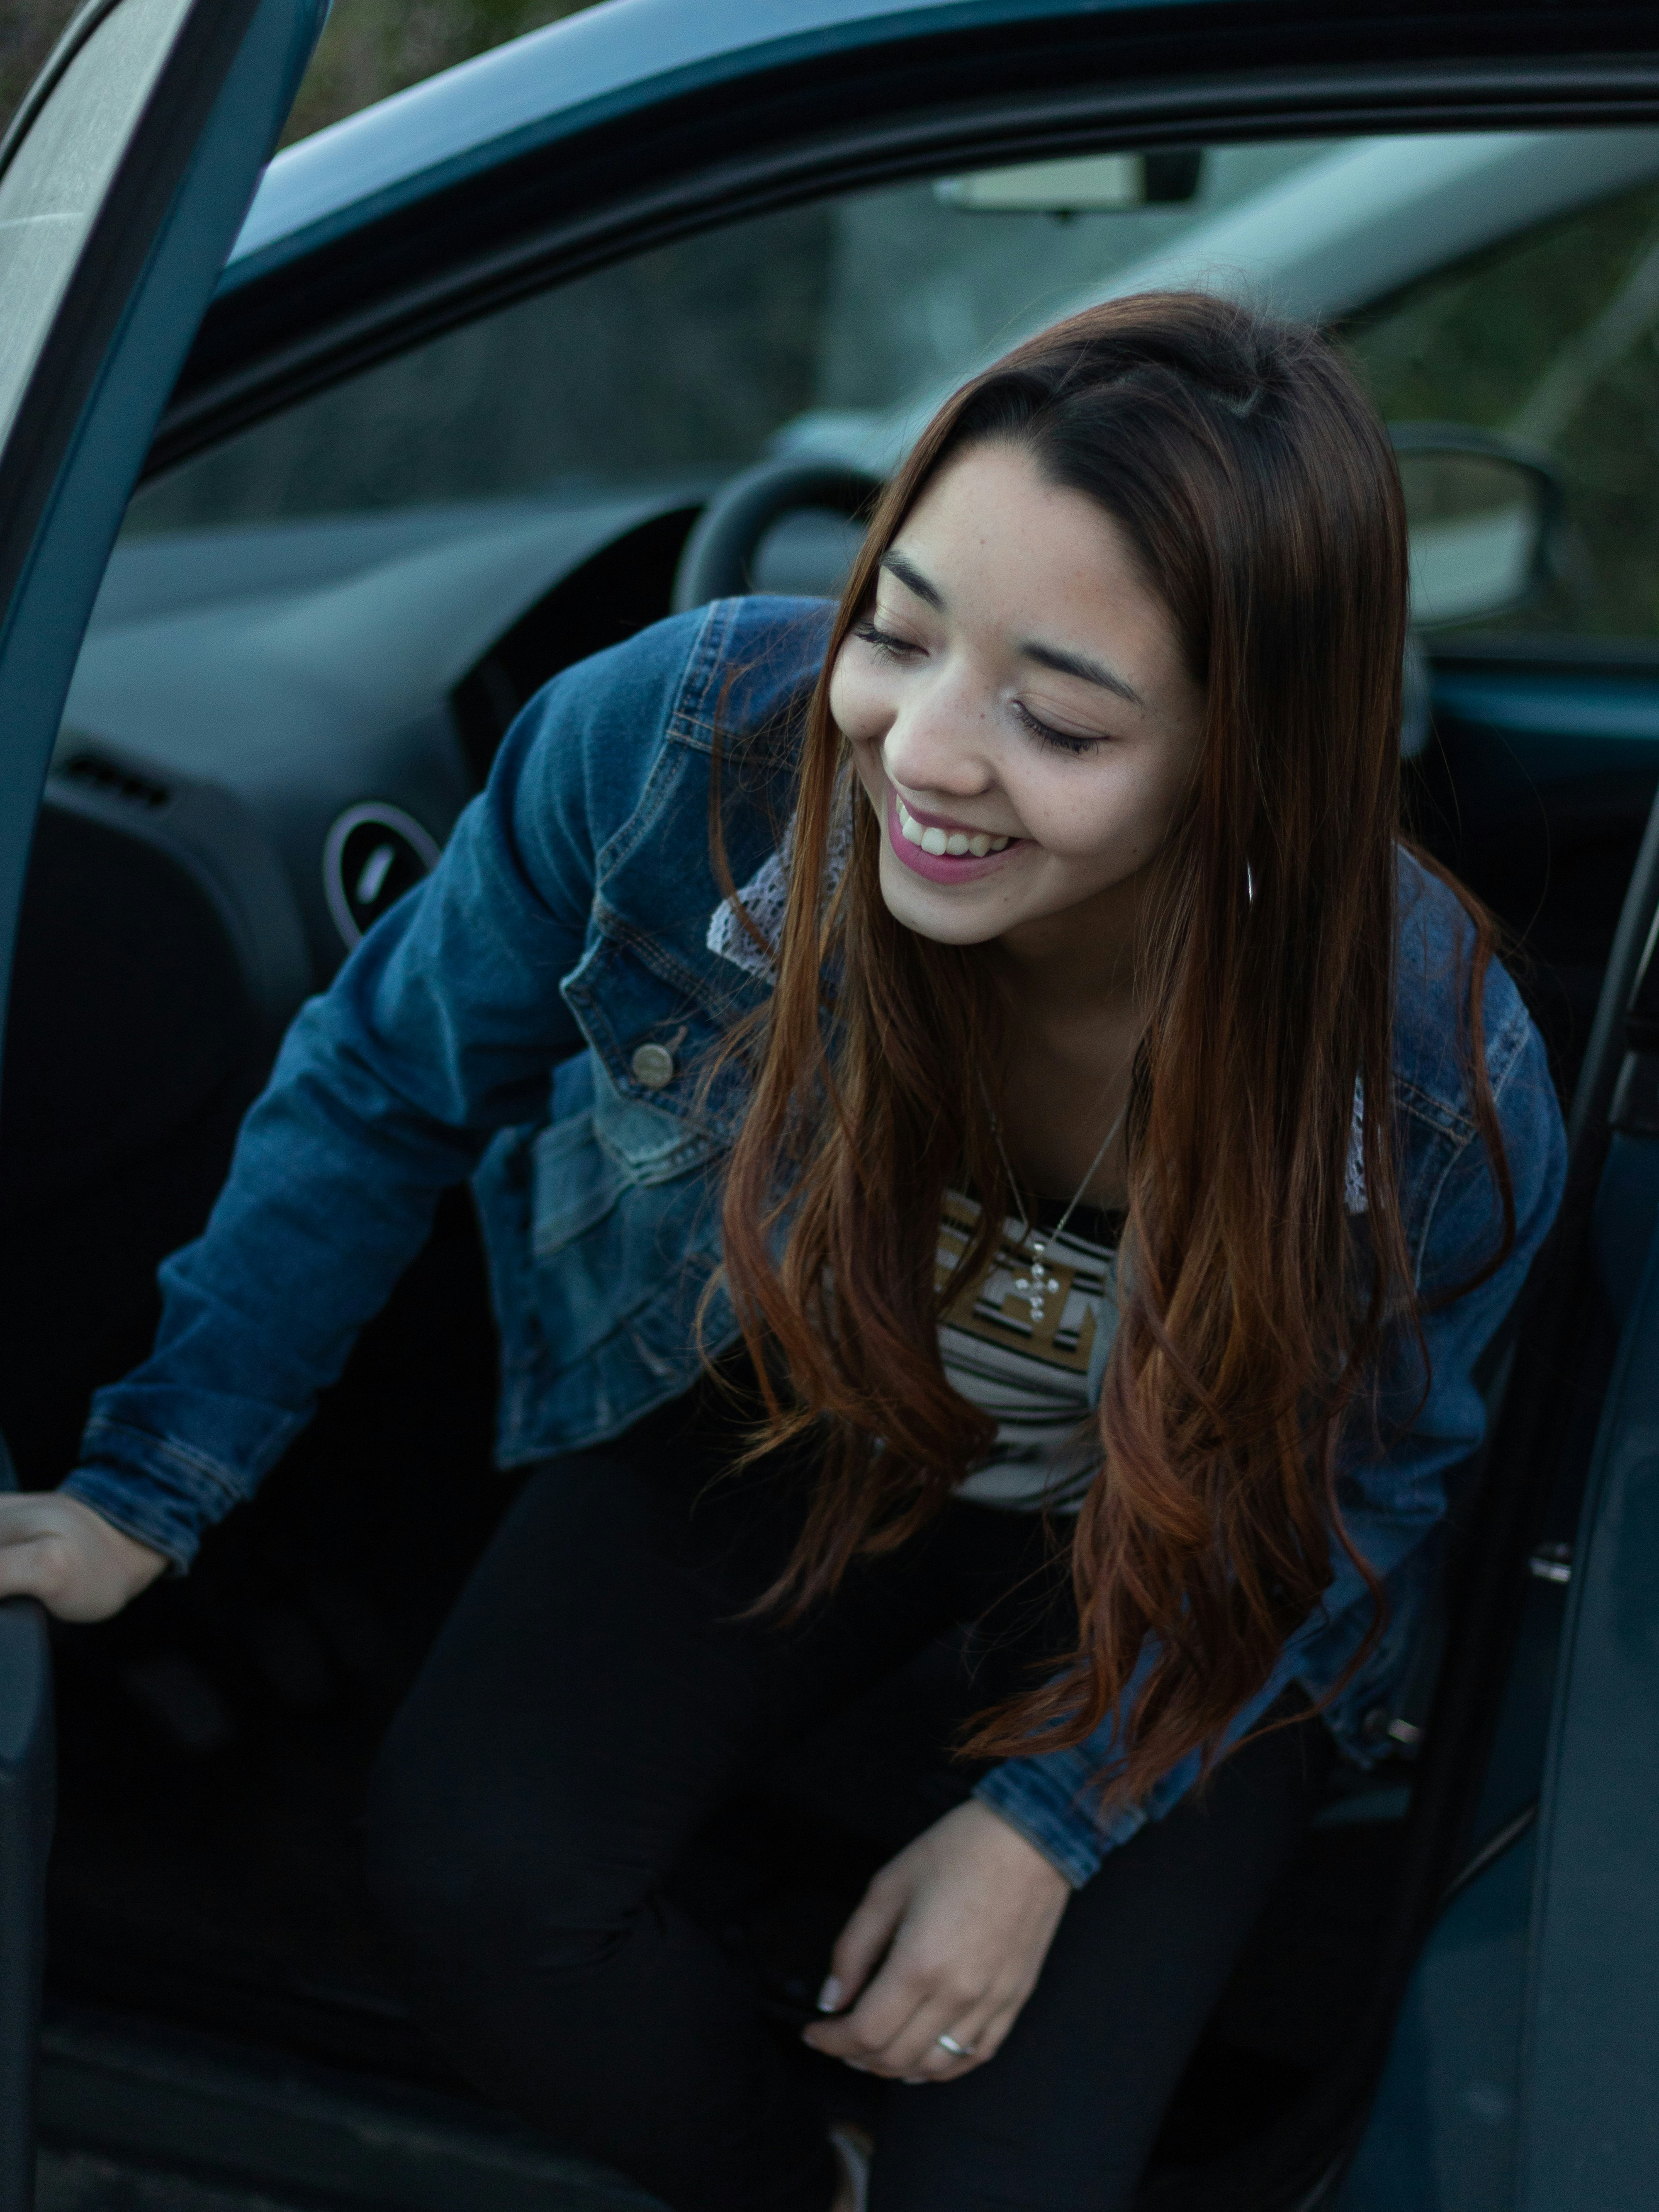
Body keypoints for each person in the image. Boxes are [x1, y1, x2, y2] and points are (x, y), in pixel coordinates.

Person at [0, 293, 1564, 2212]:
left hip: (1185, 1549)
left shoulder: (1423, 1079)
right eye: (896, 628)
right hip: (808, 1395)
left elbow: (1361, 1486)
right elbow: (384, 1079)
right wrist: (152, 1481)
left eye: (1058, 716)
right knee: (480, 1872)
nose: (924, 748)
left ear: (1248, 759)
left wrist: (1046, 1826)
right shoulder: (680, 751)